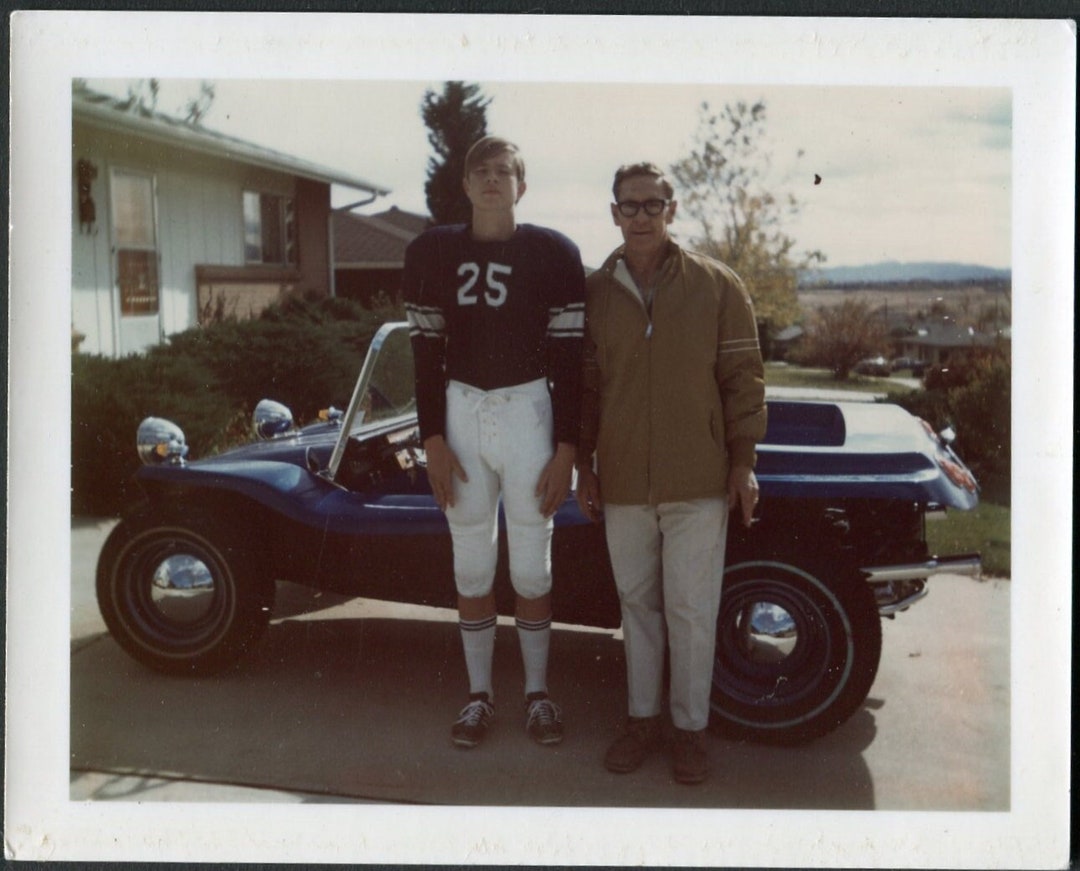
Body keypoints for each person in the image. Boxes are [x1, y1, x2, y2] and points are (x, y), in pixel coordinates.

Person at [575, 162, 766, 784]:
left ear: (672, 209)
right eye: (628, 206)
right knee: (638, 608)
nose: (640, 217)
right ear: (613, 213)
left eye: (652, 205)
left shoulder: (717, 285)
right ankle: (640, 722)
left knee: (690, 609)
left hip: (698, 482)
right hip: (625, 480)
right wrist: (585, 465)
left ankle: (690, 733)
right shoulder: (597, 291)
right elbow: (586, 389)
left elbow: (743, 382)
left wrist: (743, 463)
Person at [403, 136, 586, 749]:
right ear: (465, 184)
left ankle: (537, 693)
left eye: (502, 171)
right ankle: (478, 694)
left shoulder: (554, 252)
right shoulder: (431, 251)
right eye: (479, 170)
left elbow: (571, 358)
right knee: (471, 559)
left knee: (533, 563)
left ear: (520, 185)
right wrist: (431, 436)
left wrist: (568, 448)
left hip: (530, 411)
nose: (490, 180)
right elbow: (425, 352)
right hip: (460, 410)